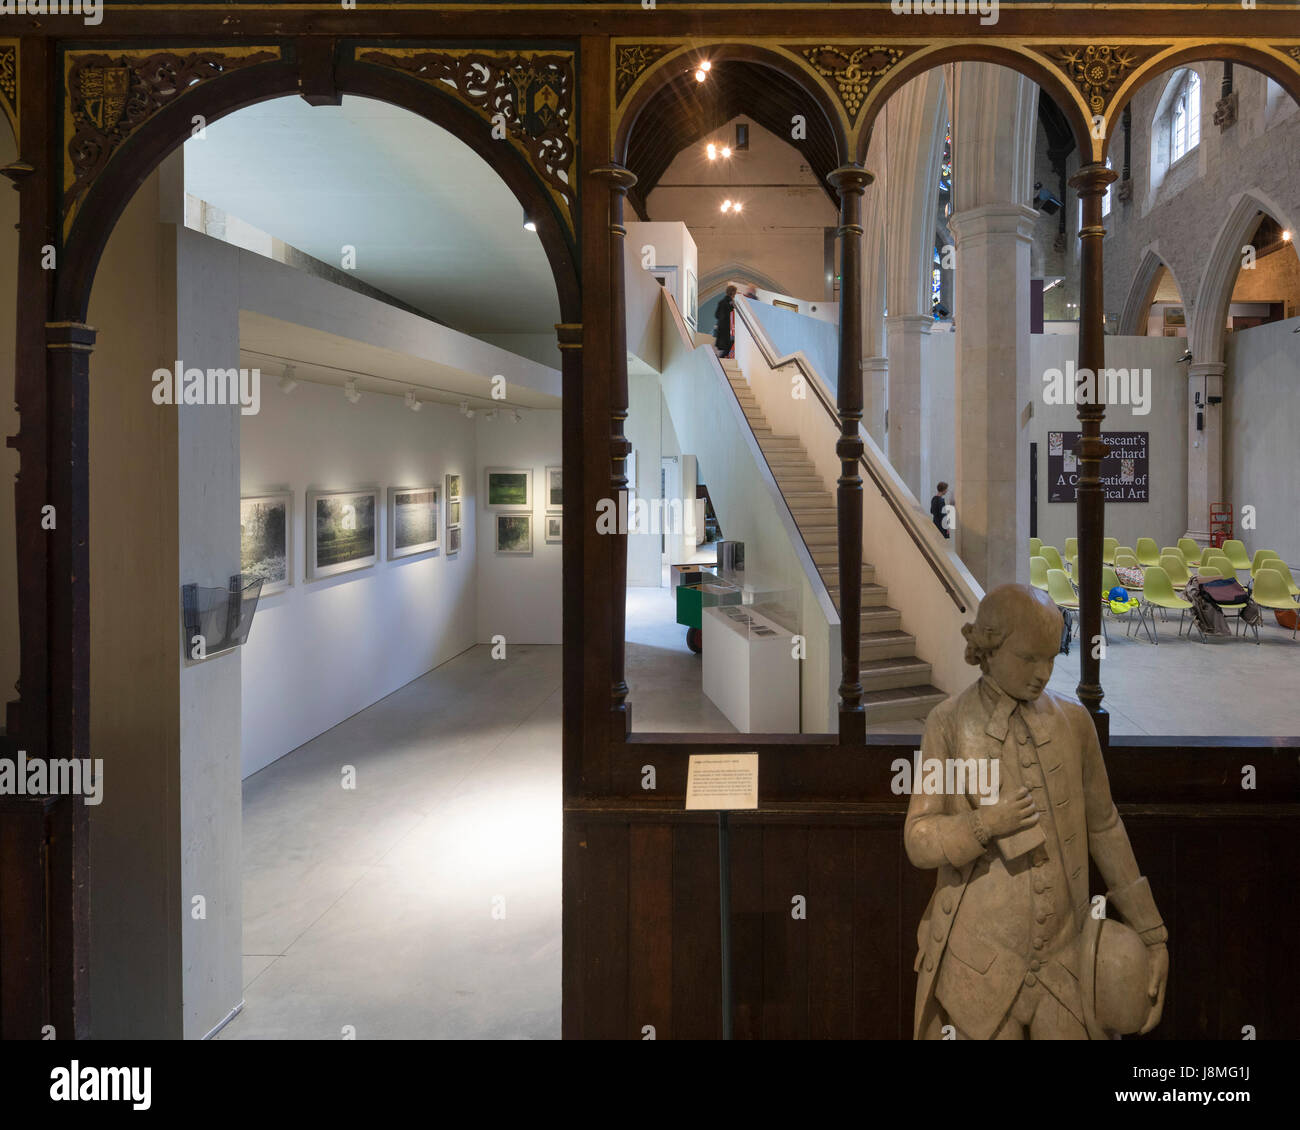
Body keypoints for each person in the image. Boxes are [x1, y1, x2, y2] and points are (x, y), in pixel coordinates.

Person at [906, 584, 1169, 1040]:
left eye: (1051, 657)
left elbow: (1104, 827)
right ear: (988, 648)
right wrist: (983, 824)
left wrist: (1151, 932)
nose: (1043, 673)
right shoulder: (948, 724)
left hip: (1066, 966)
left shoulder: (1074, 724)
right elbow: (920, 838)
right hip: (979, 964)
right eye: (1029, 658)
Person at [713, 285, 737, 357]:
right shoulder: (731, 303)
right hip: (727, 327)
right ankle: (720, 358)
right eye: (735, 293)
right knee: (729, 345)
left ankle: (720, 357)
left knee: (724, 346)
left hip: (721, 327)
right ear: (733, 293)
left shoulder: (721, 302)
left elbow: (716, 315)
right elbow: (732, 316)